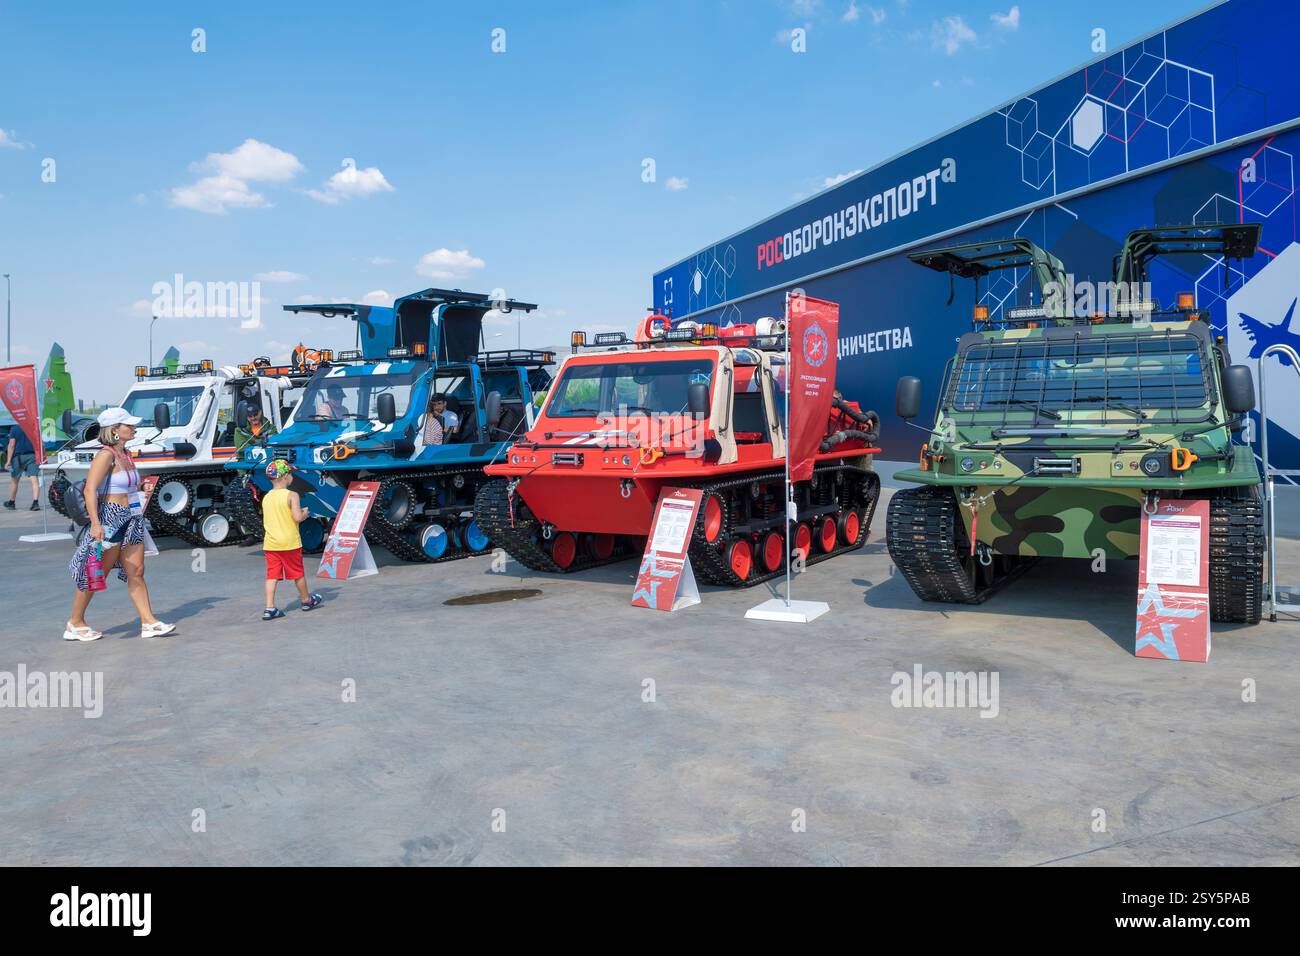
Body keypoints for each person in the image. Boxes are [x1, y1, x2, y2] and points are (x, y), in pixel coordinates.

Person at [65, 408, 176, 641]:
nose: (134, 428)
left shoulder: (126, 454)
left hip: (133, 517)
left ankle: (149, 622)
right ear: (115, 430)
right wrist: (96, 524)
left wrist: (140, 487)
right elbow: (90, 489)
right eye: (129, 425)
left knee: (136, 571)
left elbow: (122, 487)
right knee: (97, 573)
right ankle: (75, 623)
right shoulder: (105, 455)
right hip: (111, 519)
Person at [261, 459, 323, 620]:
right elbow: (297, 517)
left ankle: (269, 608)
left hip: (271, 544)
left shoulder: (266, 497)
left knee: (272, 576)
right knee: (297, 574)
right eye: (290, 473)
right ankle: (306, 600)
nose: (292, 476)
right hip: (289, 543)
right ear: (285, 476)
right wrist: (305, 514)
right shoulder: (292, 495)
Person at [4, 425, 40, 511]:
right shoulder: (34, 427)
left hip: (18, 457)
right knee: (34, 480)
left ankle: (12, 503)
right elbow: (39, 443)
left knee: (15, 481)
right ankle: (35, 503)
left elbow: (11, 445)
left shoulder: (15, 428)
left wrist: (8, 461)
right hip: (32, 456)